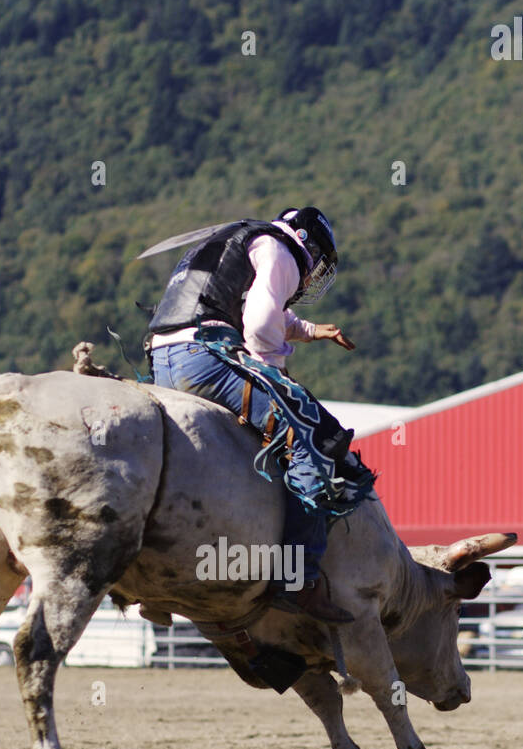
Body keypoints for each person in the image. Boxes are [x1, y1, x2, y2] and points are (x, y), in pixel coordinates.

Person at [144, 207, 374, 623]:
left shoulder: (241, 238)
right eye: (318, 263)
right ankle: (300, 582)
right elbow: (261, 321)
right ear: (306, 243)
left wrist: (307, 330)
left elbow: (246, 302)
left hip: (163, 357)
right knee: (311, 444)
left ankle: (153, 581)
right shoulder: (282, 251)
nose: (312, 275)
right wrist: (277, 376)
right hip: (203, 357)